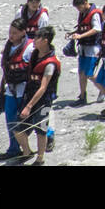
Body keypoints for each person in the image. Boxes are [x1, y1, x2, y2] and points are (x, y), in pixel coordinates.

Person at [13, 27, 60, 164]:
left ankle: (40, 159)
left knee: (41, 131)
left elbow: (43, 87)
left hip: (44, 101)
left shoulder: (50, 63)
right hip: (29, 95)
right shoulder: (34, 54)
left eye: (38, 38)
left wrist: (29, 106)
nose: (34, 40)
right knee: (17, 128)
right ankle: (27, 152)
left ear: (45, 41)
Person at [0, 17, 34, 158]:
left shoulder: (30, 48)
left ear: (23, 32)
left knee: (29, 120)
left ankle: (47, 136)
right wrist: (1, 86)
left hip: (24, 89)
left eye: (14, 33)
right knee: (10, 119)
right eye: (10, 32)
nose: (11, 36)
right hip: (10, 89)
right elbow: (6, 69)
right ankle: (14, 148)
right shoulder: (8, 47)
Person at [69, 0, 103, 106]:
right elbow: (82, 28)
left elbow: (97, 29)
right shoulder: (82, 13)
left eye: (79, 7)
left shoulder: (95, 13)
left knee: (90, 74)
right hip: (83, 47)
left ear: (85, 2)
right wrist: (73, 33)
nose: (78, 9)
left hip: (93, 48)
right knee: (81, 73)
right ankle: (82, 96)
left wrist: (80, 36)